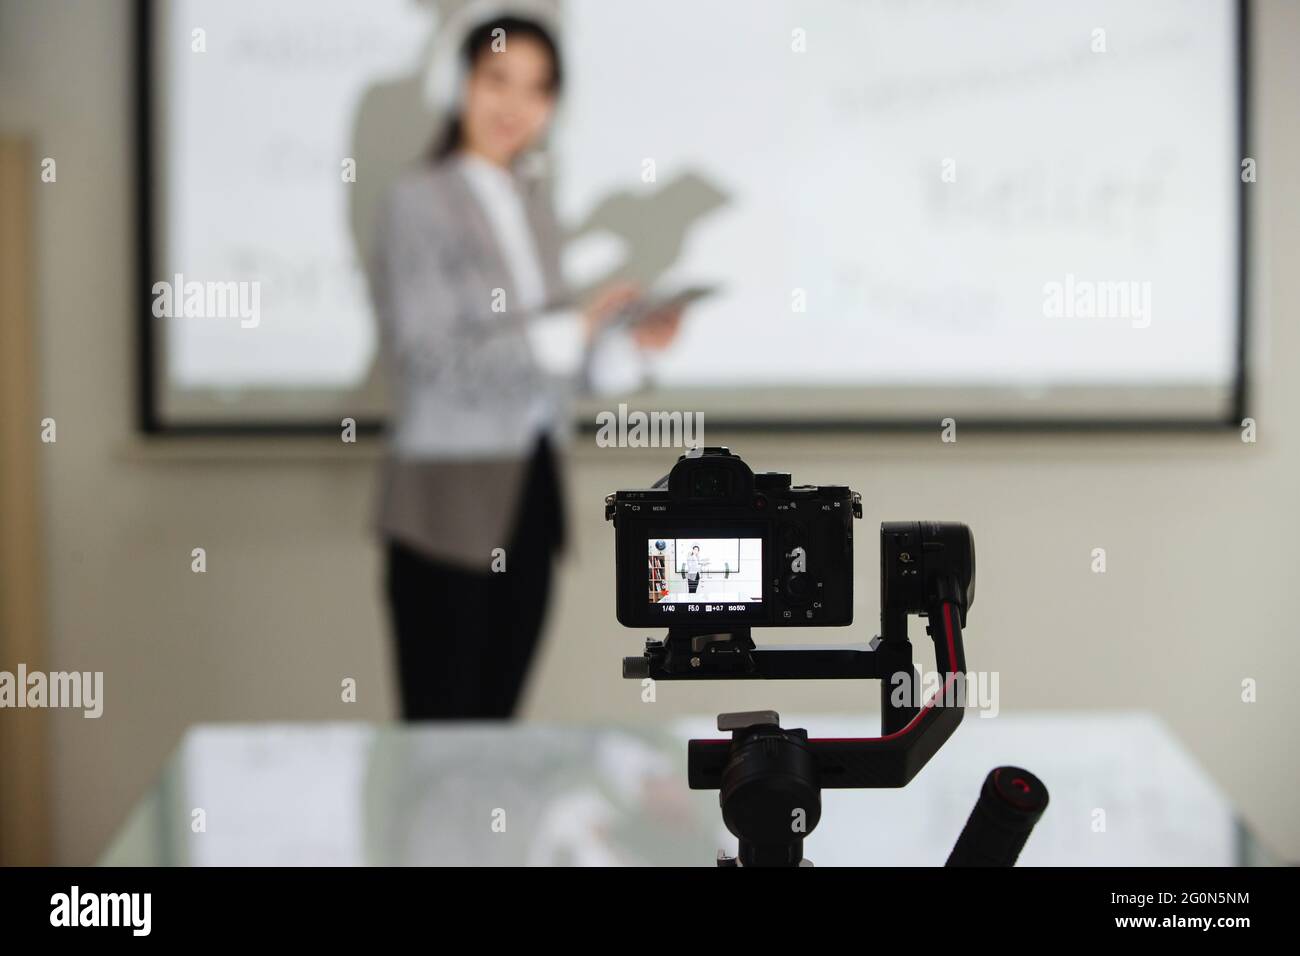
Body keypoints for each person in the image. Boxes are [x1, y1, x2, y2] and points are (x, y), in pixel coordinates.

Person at [368, 13, 682, 720]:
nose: (514, 107)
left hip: (532, 489)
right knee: (445, 732)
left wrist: (626, 343)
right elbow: (428, 360)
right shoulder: (416, 202)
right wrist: (576, 325)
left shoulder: (531, 203)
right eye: (498, 80)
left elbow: (549, 366)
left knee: (502, 726)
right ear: (463, 85)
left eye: (537, 90)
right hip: (446, 499)